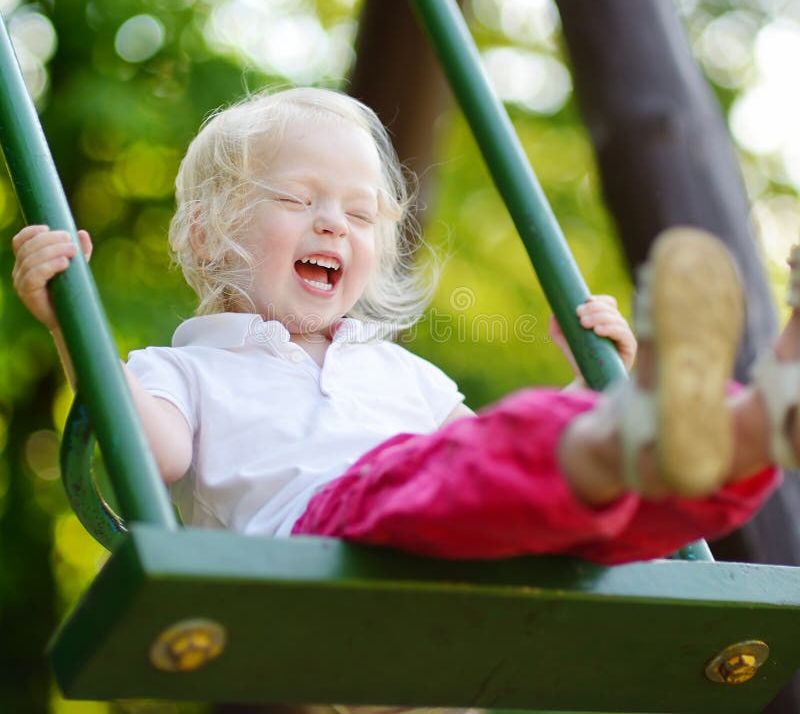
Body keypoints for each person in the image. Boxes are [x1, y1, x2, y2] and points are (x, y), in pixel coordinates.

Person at [10, 87, 795, 566]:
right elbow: (144, 449)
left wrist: (589, 384)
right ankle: (636, 422)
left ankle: (758, 416)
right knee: (474, 466)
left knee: (641, 507)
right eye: (296, 200)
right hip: (327, 534)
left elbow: (500, 475)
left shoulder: (400, 377)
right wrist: (72, 329)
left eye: (359, 214)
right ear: (211, 234)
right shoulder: (181, 373)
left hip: (443, 532)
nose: (332, 225)